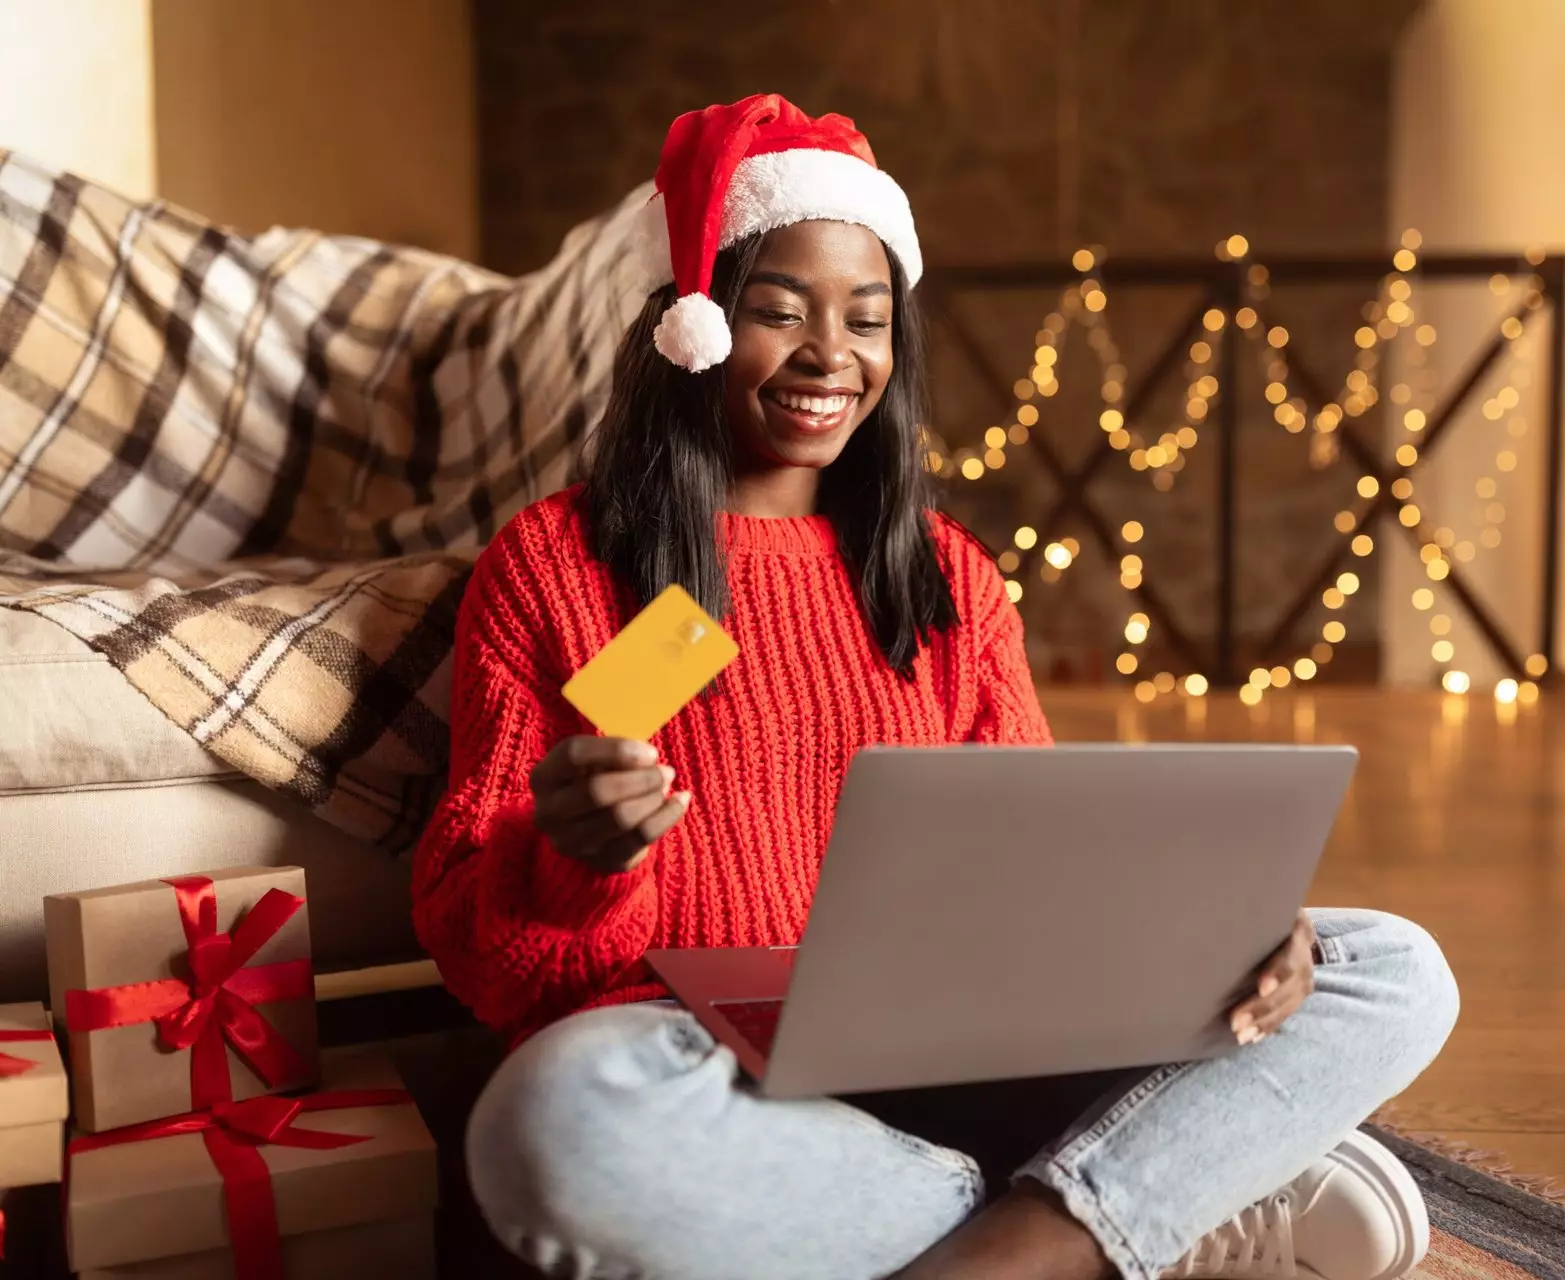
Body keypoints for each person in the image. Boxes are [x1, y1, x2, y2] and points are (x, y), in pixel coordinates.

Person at [412, 94, 1460, 1280]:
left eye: (867, 319)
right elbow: (486, 964)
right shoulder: (554, 566)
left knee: (1389, 965)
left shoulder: (945, 575)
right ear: (691, 323)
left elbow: (1043, 870)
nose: (830, 355)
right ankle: (1118, 1212)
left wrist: (1231, 931)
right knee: (547, 1118)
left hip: (976, 1048)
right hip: (709, 1063)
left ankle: (1012, 1247)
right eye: (777, 311)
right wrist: (578, 860)